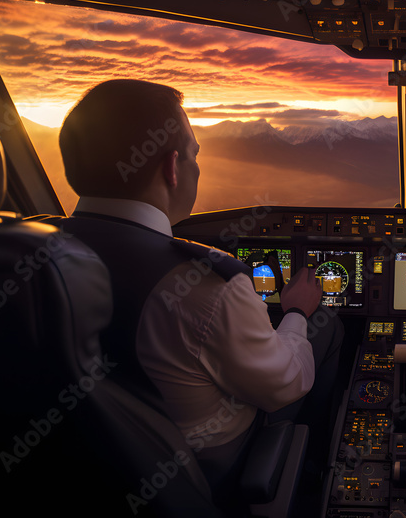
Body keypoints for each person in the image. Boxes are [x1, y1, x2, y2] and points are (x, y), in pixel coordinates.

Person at [57, 79, 342, 507]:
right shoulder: (204, 285)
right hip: (202, 470)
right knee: (326, 326)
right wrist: (297, 312)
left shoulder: (27, 250)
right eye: (194, 154)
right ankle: (312, 470)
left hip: (76, 468)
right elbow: (285, 382)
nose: (196, 166)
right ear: (172, 168)